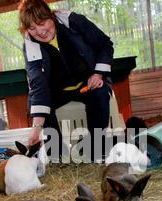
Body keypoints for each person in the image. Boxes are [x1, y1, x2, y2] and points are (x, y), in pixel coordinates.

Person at [18, 0, 114, 162]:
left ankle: (96, 148)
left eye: (42, 23)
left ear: (51, 17)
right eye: (32, 28)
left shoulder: (73, 22)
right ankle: (57, 156)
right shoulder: (30, 45)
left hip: (87, 83)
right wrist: (36, 129)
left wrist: (98, 73)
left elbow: (105, 44)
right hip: (57, 91)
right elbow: (38, 83)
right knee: (39, 106)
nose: (40, 32)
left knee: (100, 91)